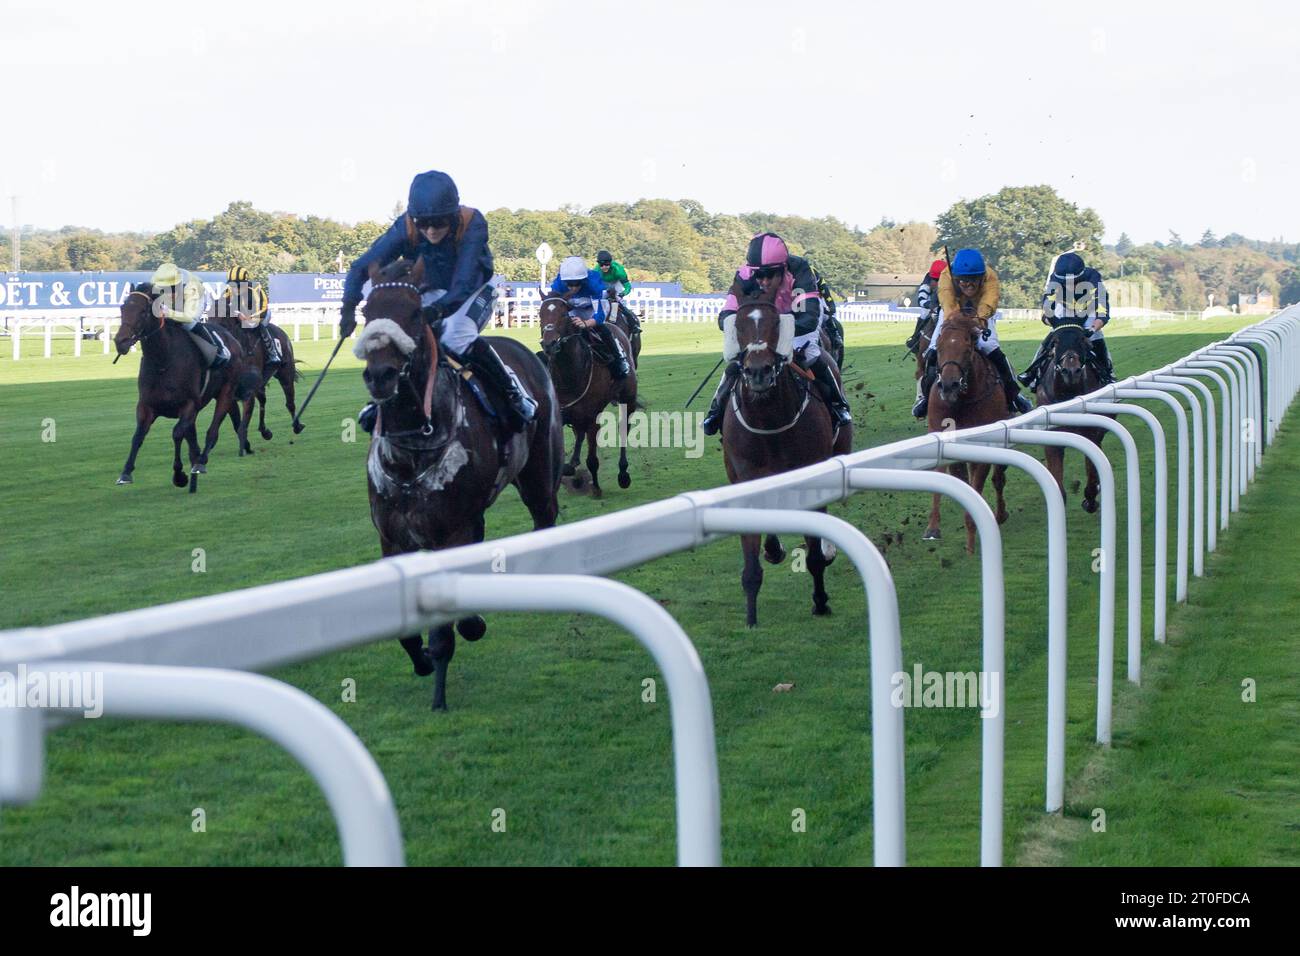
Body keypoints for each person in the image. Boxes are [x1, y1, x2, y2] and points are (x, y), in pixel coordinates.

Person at [339, 170, 536, 431]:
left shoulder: (472, 223)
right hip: (431, 289)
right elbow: (361, 267)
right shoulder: (405, 226)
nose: (430, 230)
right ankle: (383, 401)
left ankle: (512, 392)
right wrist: (348, 309)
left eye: (439, 222)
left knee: (456, 334)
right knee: (403, 338)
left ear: (453, 215)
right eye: (423, 223)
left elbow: (463, 283)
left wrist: (435, 312)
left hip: (475, 289)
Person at [700, 232, 852, 435]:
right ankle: (716, 410)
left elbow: (809, 317)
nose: (763, 280)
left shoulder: (799, 269)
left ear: (783, 267)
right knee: (737, 360)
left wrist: (777, 330)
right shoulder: (744, 274)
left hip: (795, 320)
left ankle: (837, 404)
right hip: (762, 324)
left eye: (770, 274)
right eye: (759, 274)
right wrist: (740, 327)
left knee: (811, 354)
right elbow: (726, 313)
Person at [912, 248, 1033, 418]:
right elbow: (948, 305)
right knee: (933, 349)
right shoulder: (947, 276)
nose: (969, 285)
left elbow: (988, 303)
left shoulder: (990, 276)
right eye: (964, 281)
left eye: (973, 280)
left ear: (981, 276)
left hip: (979, 311)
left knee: (989, 346)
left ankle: (1014, 394)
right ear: (956, 277)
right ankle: (925, 398)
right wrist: (955, 326)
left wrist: (978, 321)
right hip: (951, 312)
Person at [1019, 251, 1114, 389]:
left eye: (1073, 282)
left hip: (1087, 308)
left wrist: (1093, 329)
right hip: (1065, 308)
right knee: (1054, 335)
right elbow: (1047, 309)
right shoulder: (1055, 278)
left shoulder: (1093, 277)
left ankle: (1108, 373)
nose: (1069, 286)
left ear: (1081, 277)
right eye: (1064, 283)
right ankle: (1033, 371)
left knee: (1096, 336)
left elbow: (1102, 311)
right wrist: (1053, 324)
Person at [550, 255, 630, 379]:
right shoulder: (558, 285)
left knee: (602, 329)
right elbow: (554, 308)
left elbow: (600, 315)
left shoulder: (593, 284)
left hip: (591, 309)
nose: (573, 288)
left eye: (577, 284)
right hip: (573, 309)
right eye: (569, 284)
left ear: (583, 280)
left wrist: (586, 323)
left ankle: (619, 359)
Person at [150, 262, 228, 369]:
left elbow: (188, 316)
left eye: (170, 290)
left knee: (189, 323)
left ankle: (219, 349)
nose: (166, 294)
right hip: (180, 296)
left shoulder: (191, 289)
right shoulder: (159, 282)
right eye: (163, 290)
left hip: (196, 298)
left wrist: (169, 312)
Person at [223, 266, 281, 376]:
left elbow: (263, 308)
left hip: (260, 313)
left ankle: (272, 352)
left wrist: (249, 318)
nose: (234, 287)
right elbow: (223, 305)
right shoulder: (228, 291)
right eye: (232, 284)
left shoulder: (255, 289)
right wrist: (237, 314)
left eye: (237, 284)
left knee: (258, 325)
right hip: (240, 315)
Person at [906, 259, 948, 354]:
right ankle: (915, 338)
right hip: (932, 303)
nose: (938, 283)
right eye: (936, 280)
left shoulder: (950, 279)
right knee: (925, 313)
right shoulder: (926, 284)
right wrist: (931, 305)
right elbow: (921, 301)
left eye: (940, 280)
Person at [595, 250, 642, 335]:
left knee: (619, 303)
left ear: (610, 263)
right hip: (603, 285)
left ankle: (634, 325)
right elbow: (595, 287)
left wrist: (622, 294)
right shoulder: (596, 271)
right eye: (601, 265)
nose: (604, 267)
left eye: (606, 265)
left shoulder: (618, 270)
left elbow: (628, 286)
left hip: (616, 283)